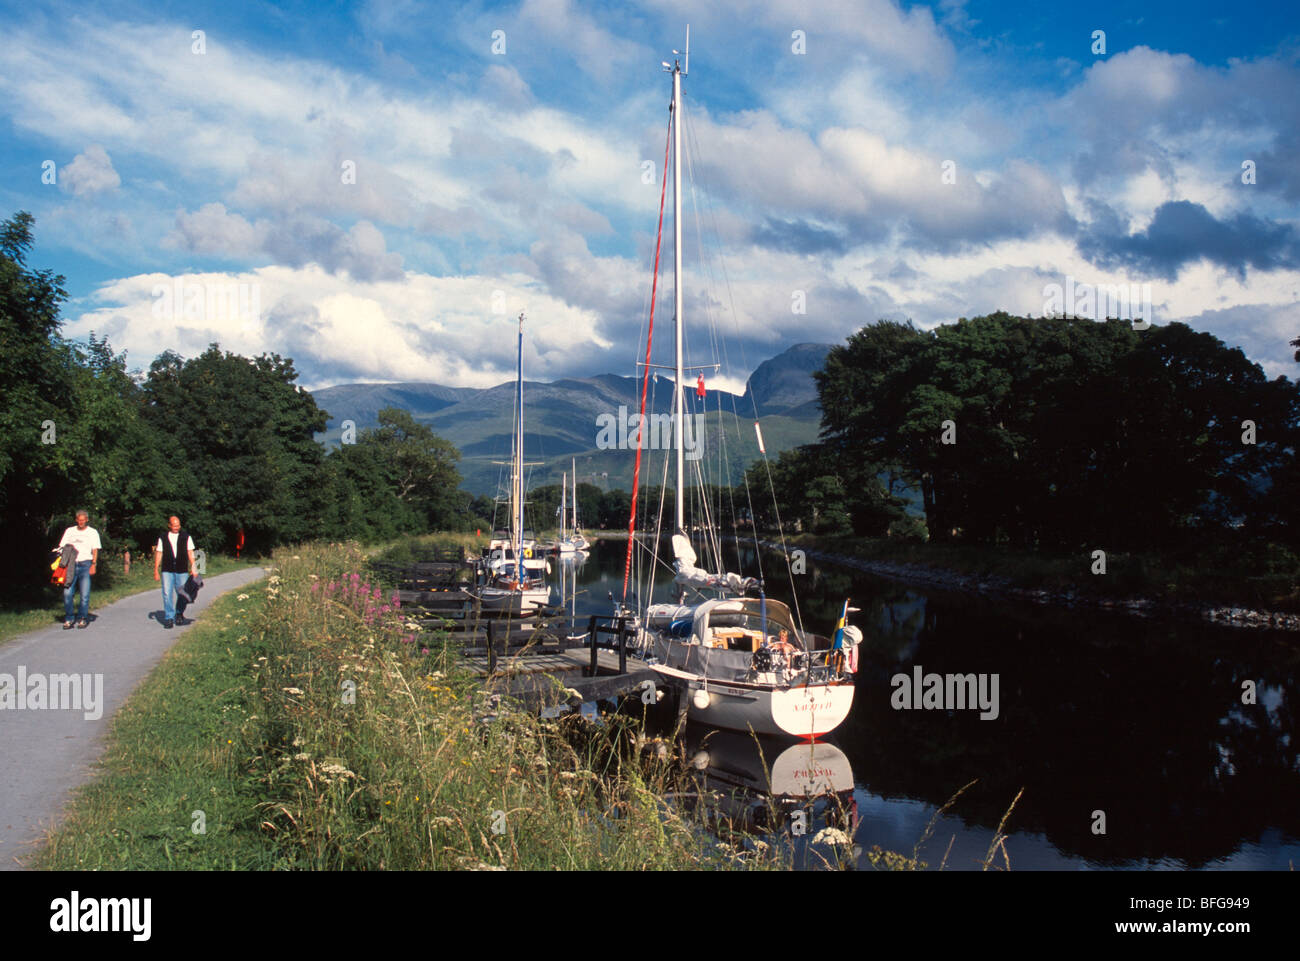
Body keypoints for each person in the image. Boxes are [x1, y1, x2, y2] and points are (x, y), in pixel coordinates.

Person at [56, 510, 101, 629]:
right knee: (67, 593)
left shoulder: (92, 532)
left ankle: (82, 618)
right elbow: (62, 547)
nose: (81, 522)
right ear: (76, 520)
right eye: (79, 520)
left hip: (85, 564)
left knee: (84, 594)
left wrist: (94, 564)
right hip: (70, 565)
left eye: (83, 520)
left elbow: (95, 549)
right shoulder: (70, 531)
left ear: (87, 520)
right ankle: (69, 618)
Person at [154, 516, 197, 629]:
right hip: (167, 570)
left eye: (178, 525)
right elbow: (159, 553)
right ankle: (169, 617)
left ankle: (179, 613)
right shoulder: (162, 537)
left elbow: (190, 552)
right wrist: (156, 570)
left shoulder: (186, 537)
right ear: (169, 525)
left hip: (182, 569)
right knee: (167, 594)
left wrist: (194, 566)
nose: (176, 527)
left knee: (182, 594)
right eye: (174, 525)